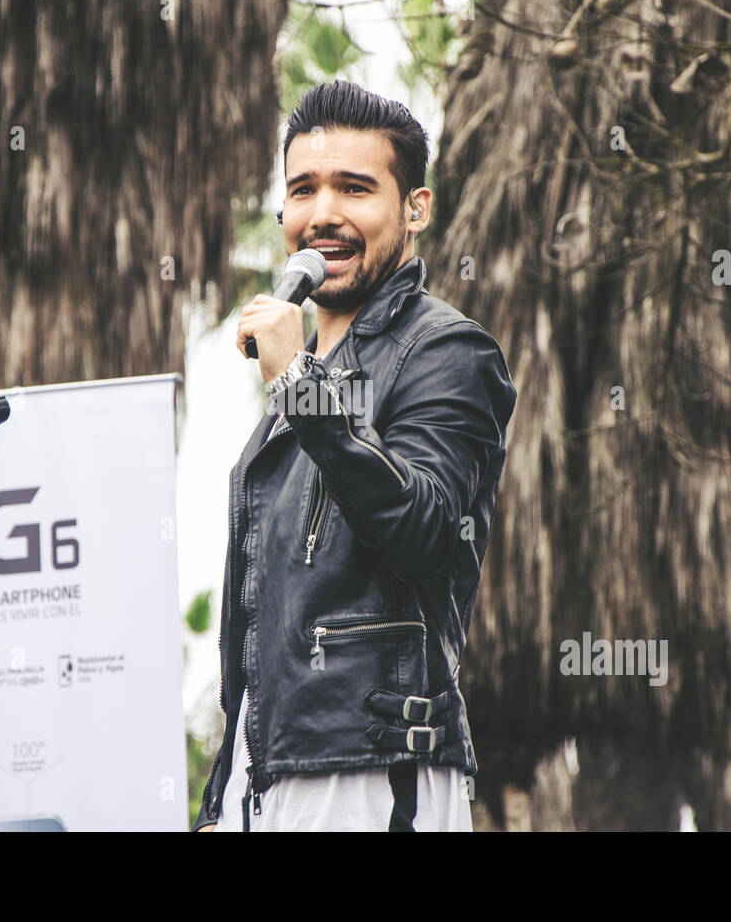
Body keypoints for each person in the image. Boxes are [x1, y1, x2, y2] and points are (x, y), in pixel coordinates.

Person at [194, 81, 517, 831]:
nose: (323, 215)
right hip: (270, 781)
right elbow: (261, 627)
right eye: (303, 189)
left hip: (372, 767)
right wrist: (227, 796)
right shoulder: (302, 381)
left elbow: (425, 530)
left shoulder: (449, 351)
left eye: (355, 187)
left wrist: (297, 385)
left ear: (416, 208)